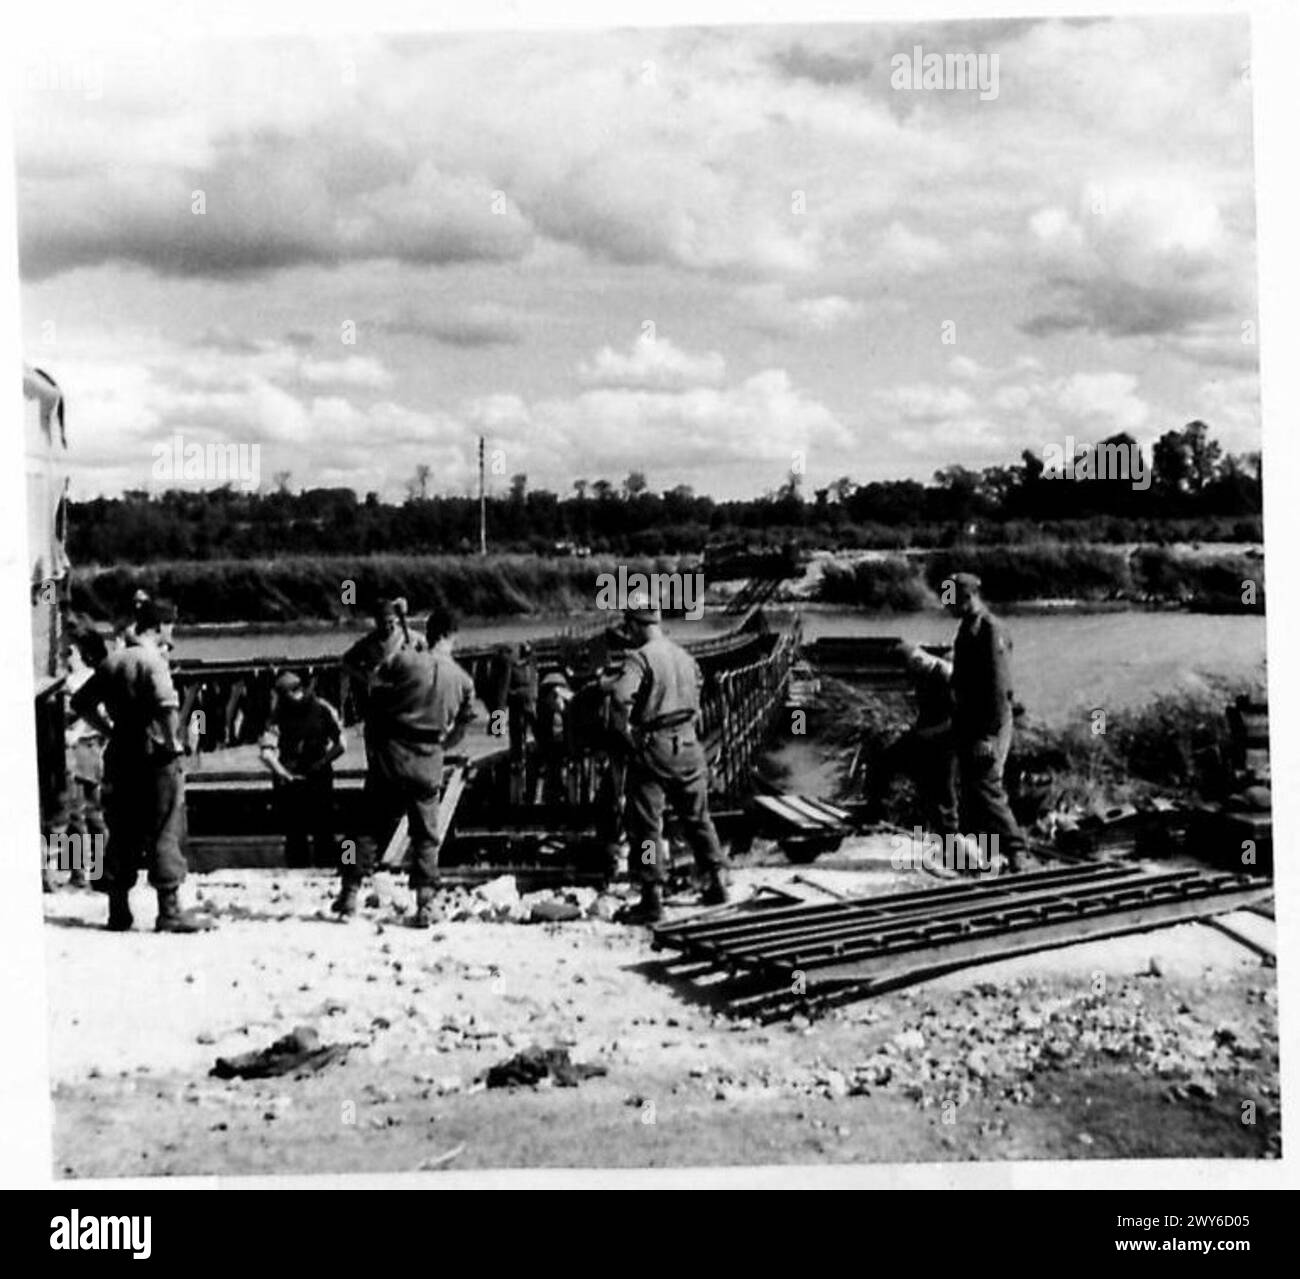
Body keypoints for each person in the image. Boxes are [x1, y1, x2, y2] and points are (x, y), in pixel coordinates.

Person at [70, 600, 212, 932]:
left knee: (121, 830)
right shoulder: (154, 662)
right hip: (155, 756)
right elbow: (166, 707)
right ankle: (169, 911)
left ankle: (118, 911)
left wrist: (108, 730)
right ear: (162, 625)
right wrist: (172, 742)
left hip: (121, 753)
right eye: (170, 625)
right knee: (164, 828)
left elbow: (81, 703)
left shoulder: (112, 661)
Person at [333, 607, 476, 927]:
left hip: (391, 754)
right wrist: (441, 746)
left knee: (367, 825)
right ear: (454, 635)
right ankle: (425, 901)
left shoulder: (406, 661)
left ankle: (350, 894)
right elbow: (462, 728)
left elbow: (374, 684)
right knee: (426, 833)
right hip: (429, 758)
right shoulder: (463, 680)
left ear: (429, 630)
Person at [606, 591, 729, 923]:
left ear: (633, 624)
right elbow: (701, 694)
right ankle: (717, 879)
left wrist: (628, 735)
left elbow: (620, 699)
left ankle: (652, 895)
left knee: (646, 825)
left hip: (655, 746)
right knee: (698, 817)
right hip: (690, 744)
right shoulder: (684, 656)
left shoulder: (639, 658)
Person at [947, 572, 1029, 874]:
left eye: (952, 601)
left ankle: (1017, 852)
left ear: (967, 597)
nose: (948, 607)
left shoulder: (989, 629)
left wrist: (987, 735)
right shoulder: (970, 626)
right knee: (971, 790)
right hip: (971, 724)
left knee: (986, 787)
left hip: (986, 726)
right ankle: (979, 856)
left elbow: (998, 688)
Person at [864, 643, 960, 840]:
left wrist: (929, 732)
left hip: (945, 743)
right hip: (923, 737)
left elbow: (958, 720)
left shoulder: (945, 678)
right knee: (882, 759)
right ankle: (874, 812)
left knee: (942, 794)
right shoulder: (922, 674)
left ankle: (952, 844)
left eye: (910, 667)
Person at [259, 671, 346, 868]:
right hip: (318, 775)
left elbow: (266, 753)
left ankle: (299, 868)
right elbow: (341, 744)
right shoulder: (323, 708)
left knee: (295, 833)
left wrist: (282, 773)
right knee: (323, 829)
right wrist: (322, 762)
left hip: (292, 779)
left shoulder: (279, 712)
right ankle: (329, 867)